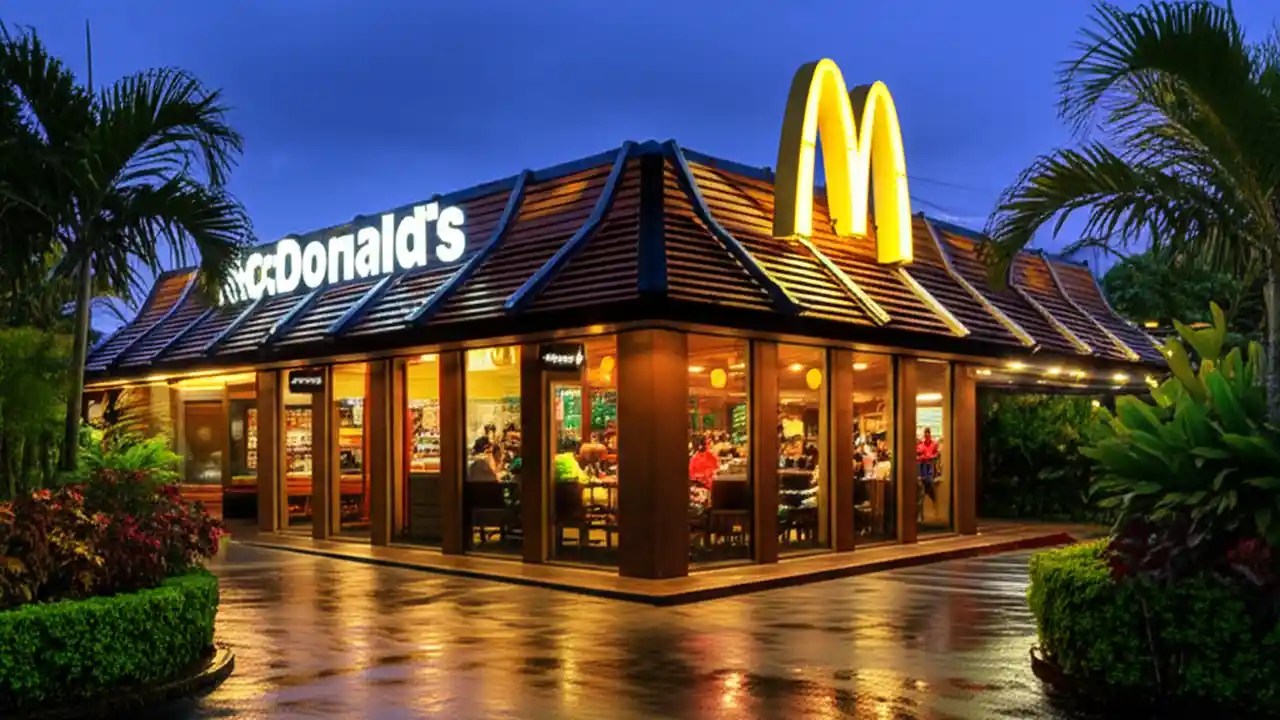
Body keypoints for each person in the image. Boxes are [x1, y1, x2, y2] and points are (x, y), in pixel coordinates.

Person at [916, 427, 940, 501]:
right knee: (925, 480)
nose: (927, 434)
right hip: (923, 466)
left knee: (927, 479)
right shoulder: (921, 445)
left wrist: (932, 456)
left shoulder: (934, 444)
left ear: (930, 434)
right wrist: (922, 457)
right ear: (924, 435)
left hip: (930, 465)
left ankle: (928, 494)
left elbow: (937, 454)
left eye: (928, 433)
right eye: (926, 433)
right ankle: (930, 495)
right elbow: (917, 456)